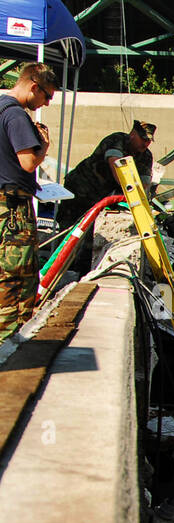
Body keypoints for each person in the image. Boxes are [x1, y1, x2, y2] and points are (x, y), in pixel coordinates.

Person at [0, 63, 55, 345]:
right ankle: (11, 345)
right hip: (12, 211)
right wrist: (43, 146)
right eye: (47, 96)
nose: (46, 103)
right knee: (17, 279)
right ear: (34, 86)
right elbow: (28, 161)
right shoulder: (15, 115)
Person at [58, 119, 156, 276]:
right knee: (69, 230)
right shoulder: (117, 140)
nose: (145, 144)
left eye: (149, 141)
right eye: (143, 139)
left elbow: (143, 185)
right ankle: (59, 269)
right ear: (133, 134)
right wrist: (129, 193)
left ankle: (81, 272)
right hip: (80, 188)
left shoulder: (146, 156)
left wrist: (140, 201)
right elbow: (117, 167)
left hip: (99, 197)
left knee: (91, 236)